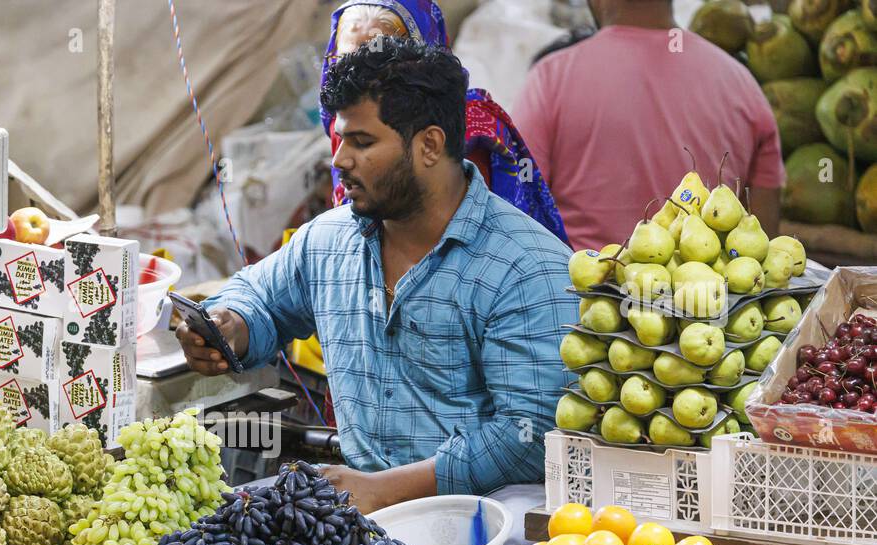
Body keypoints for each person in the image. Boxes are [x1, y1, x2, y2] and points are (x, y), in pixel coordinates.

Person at [176, 37, 577, 513]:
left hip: (482, 534)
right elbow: (260, 296)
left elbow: (528, 434)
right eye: (342, 138)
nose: (340, 159)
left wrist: (388, 489)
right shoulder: (329, 241)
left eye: (363, 142)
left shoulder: (527, 267)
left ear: (429, 145)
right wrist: (231, 327)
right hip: (356, 517)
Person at [512, 0, 783, 252]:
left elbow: (518, 215)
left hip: (585, 299)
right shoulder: (742, 85)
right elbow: (759, 243)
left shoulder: (551, 80)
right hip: (711, 300)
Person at [323, 1, 568, 244]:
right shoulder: (343, 126)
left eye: (382, 63)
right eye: (345, 62)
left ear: (420, 58)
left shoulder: (471, 130)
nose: (360, 79)